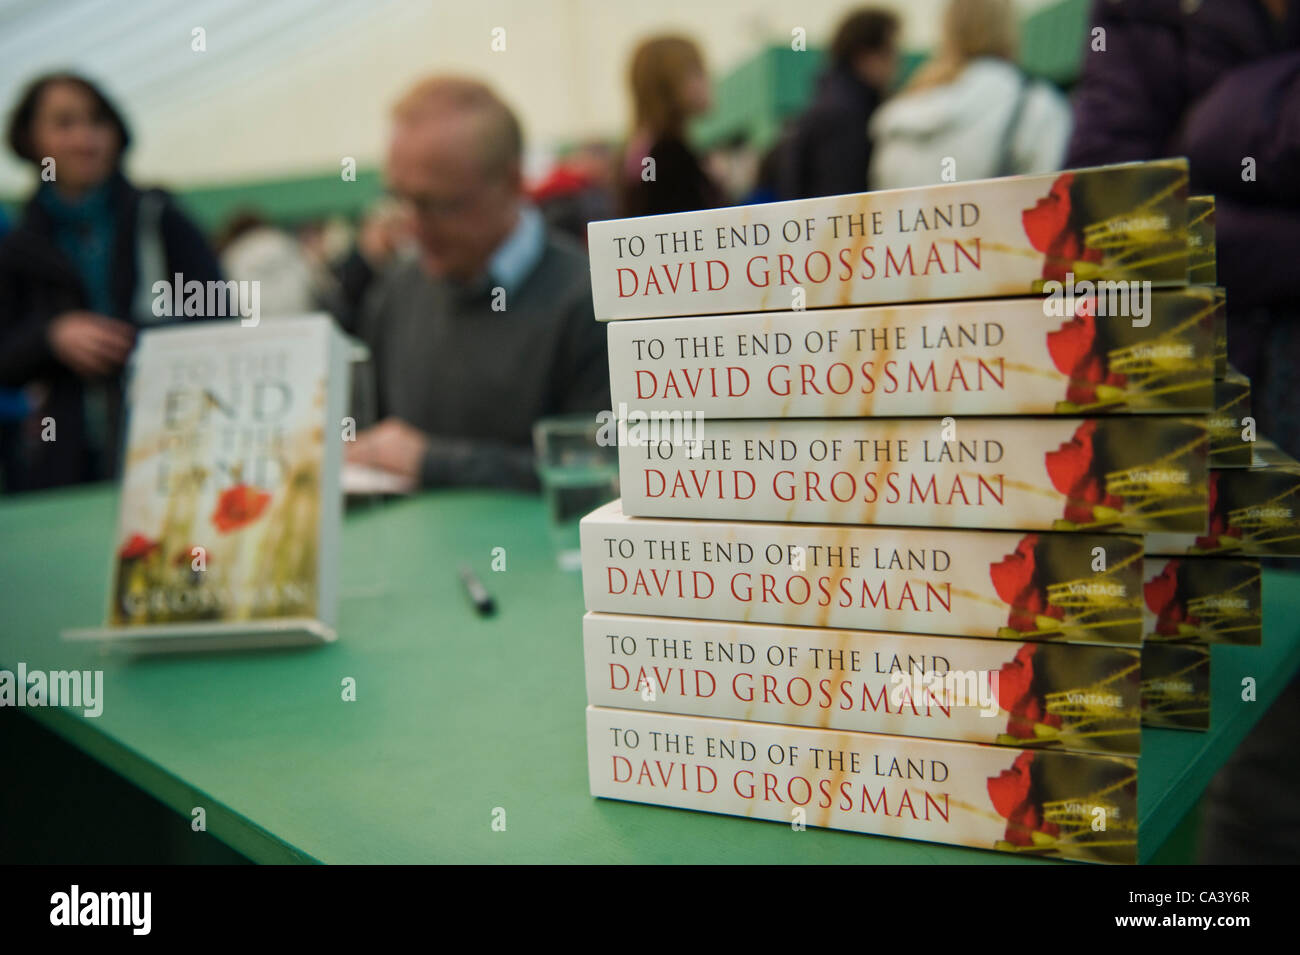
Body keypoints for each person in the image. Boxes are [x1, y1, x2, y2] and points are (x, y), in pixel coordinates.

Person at [1064, 0, 1300, 867]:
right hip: (1208, 426)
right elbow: (1113, 215)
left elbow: (1165, 210)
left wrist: (1219, 144)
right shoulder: (1142, 13)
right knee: (1248, 757)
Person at [343, 76, 609, 490]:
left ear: (510, 181)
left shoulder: (589, 301)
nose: (413, 225)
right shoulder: (397, 294)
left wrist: (433, 463)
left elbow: (600, 469)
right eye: (402, 199)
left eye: (437, 205)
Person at [0, 73, 224, 492]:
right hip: (61, 466)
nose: (86, 139)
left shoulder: (159, 218)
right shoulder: (19, 245)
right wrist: (51, 338)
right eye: (65, 124)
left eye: (97, 122)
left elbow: (218, 314)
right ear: (31, 140)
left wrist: (139, 341)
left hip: (169, 454)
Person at [867, 0, 1070, 191]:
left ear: (947, 31)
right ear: (1010, 30)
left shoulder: (902, 109)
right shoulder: (1035, 105)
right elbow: (1053, 195)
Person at [776, 8, 899, 200]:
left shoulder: (829, 101)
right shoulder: (847, 114)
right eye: (890, 51)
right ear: (864, 55)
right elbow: (845, 206)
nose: (896, 63)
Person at [617, 35, 724, 217]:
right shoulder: (669, 156)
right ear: (668, 84)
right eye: (697, 72)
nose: (707, 80)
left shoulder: (640, 150)